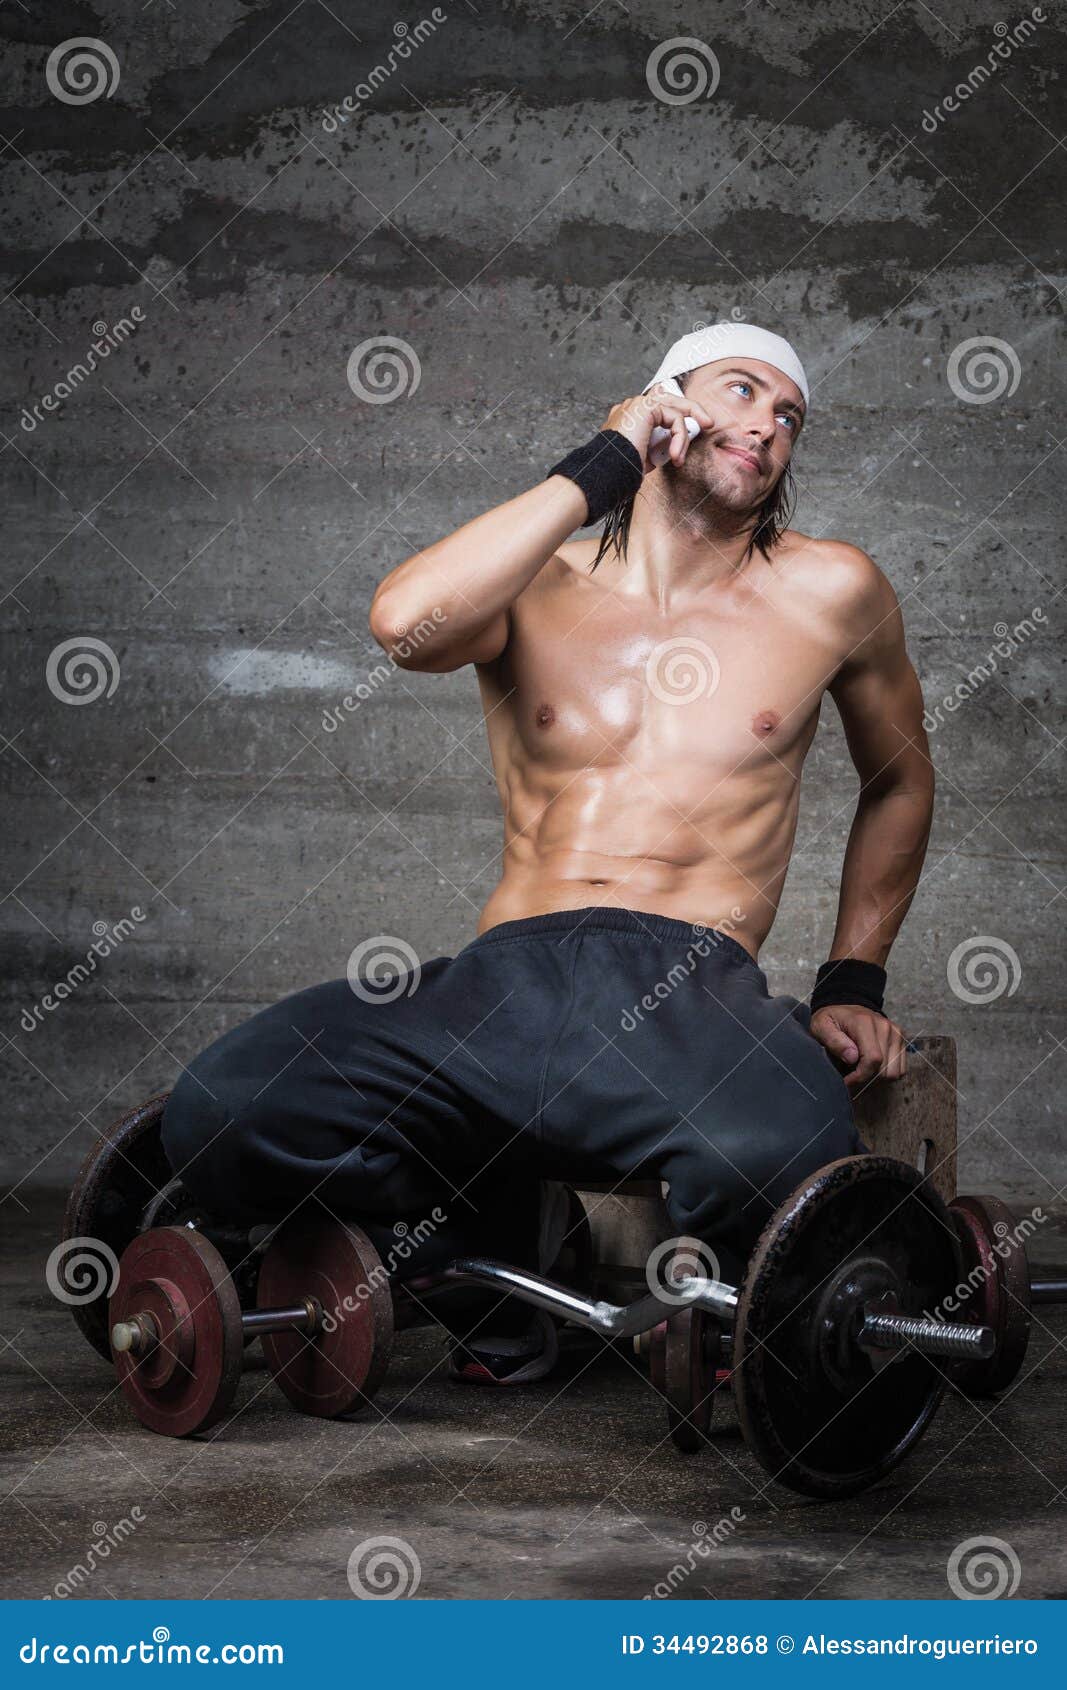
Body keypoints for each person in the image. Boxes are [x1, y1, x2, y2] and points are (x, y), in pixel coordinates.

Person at [162, 323, 934, 1384]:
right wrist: (602, 463)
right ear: (661, 400)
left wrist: (852, 977)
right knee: (221, 1109)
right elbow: (402, 623)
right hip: (501, 985)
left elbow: (899, 778)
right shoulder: (532, 579)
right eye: (742, 389)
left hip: (684, 980)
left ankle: (667, 1296)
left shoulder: (830, 590)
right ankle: (480, 1255)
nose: (767, 422)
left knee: (778, 1145)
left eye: (788, 414)